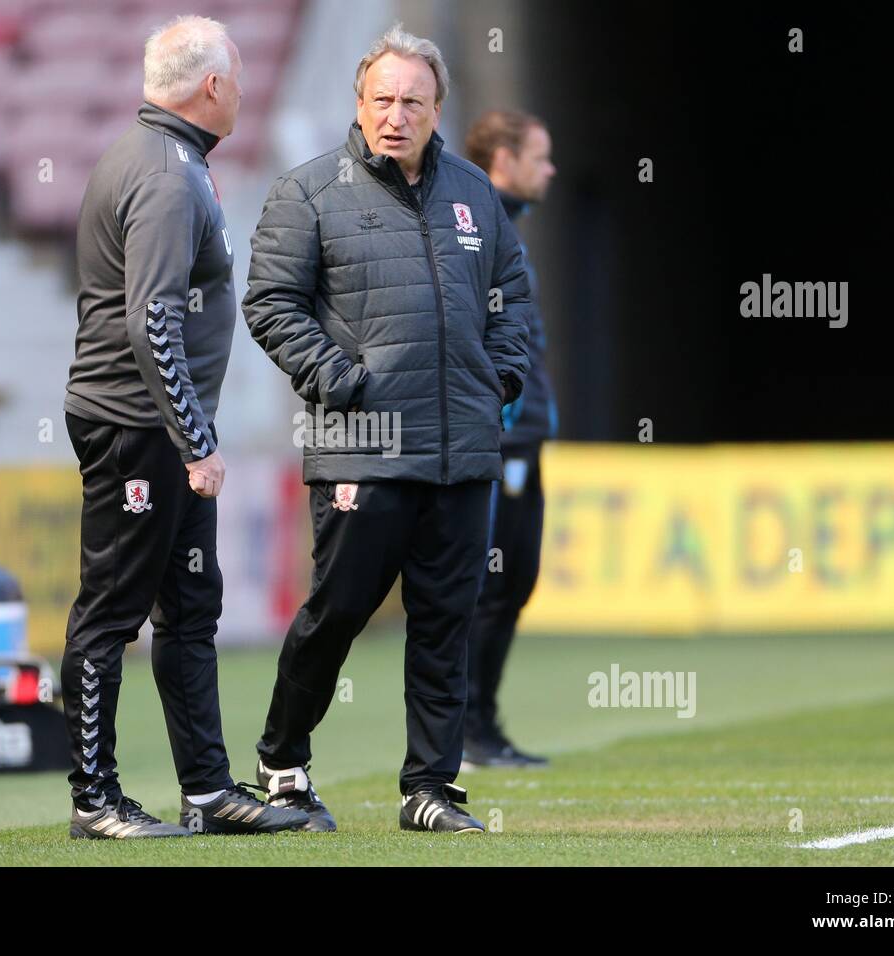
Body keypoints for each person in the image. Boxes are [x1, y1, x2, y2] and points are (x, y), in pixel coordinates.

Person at [243, 24, 532, 833]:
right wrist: (339, 380)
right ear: (359, 104)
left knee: (445, 623)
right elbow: (268, 303)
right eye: (382, 100)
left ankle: (429, 789)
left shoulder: (475, 192)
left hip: (463, 446)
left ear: (438, 109)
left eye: (412, 101)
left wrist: (497, 374)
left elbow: (510, 292)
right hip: (362, 446)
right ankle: (283, 762)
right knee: (337, 613)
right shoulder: (306, 192)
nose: (395, 115)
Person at [62, 15, 307, 839]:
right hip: (138, 426)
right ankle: (94, 800)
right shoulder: (167, 174)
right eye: (234, 77)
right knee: (111, 610)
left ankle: (206, 791)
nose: (241, 90)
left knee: (191, 604)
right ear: (210, 86)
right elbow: (151, 320)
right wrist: (195, 440)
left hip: (158, 425)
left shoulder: (165, 158)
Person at [461, 109, 559, 768]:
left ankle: (480, 726)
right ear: (505, 159)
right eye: (540, 156)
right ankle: (467, 731)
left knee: (511, 580)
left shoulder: (505, 229)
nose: (549, 169)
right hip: (499, 442)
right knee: (490, 581)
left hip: (521, 440)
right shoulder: (478, 228)